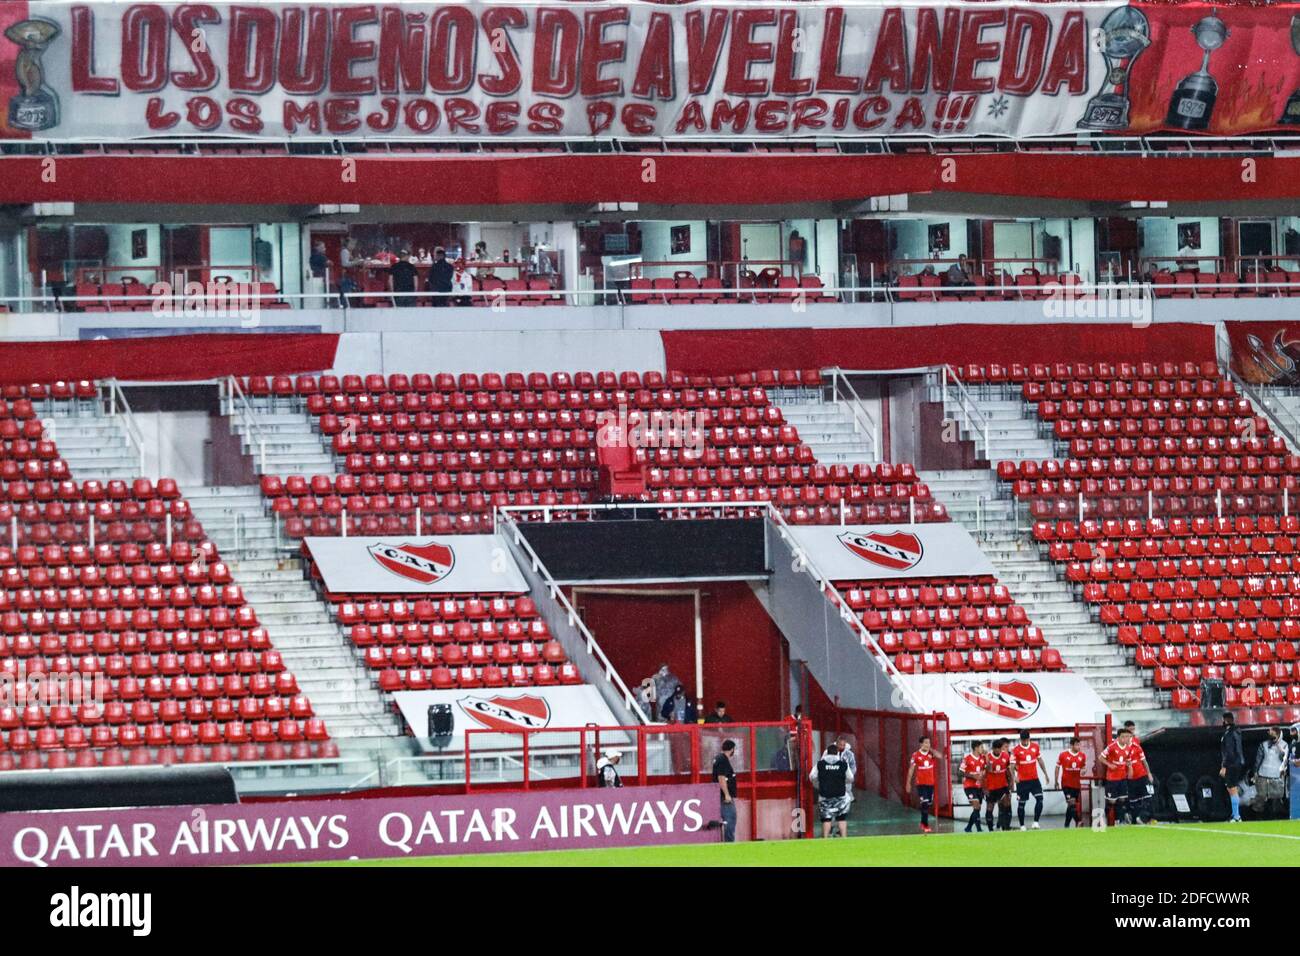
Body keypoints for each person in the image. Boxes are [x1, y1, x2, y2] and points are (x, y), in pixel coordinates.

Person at [810, 743, 851, 838]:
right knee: (841, 818)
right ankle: (844, 838)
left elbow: (812, 776)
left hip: (825, 795)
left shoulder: (820, 764)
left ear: (827, 753)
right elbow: (850, 778)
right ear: (837, 753)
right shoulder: (843, 764)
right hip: (840, 796)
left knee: (826, 819)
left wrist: (820, 781)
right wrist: (842, 781)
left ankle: (825, 840)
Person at [1011, 729, 1049, 830]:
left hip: (1034, 780)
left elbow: (1040, 760)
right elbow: (1012, 765)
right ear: (1020, 739)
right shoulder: (1016, 750)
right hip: (1022, 782)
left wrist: (1045, 773)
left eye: (1025, 739)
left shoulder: (1035, 747)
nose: (1024, 741)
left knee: (1040, 799)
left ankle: (1036, 822)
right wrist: (1014, 776)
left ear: (1029, 738)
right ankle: (1022, 825)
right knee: (1022, 803)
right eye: (1022, 740)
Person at [1099, 727, 1137, 826]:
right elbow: (1101, 757)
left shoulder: (1128, 748)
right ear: (1119, 737)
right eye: (1124, 737)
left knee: (1122, 800)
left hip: (1122, 778)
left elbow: (1127, 760)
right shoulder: (1112, 747)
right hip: (1112, 779)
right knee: (1111, 801)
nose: (1126, 739)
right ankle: (1102, 820)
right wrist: (1109, 764)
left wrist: (1129, 767)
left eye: (1128, 736)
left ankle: (1118, 821)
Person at [1253, 725, 1289, 819]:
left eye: (1272, 733)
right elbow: (1258, 759)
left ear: (1278, 734)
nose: (1270, 735)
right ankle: (1258, 817)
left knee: (1276, 798)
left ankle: (1275, 817)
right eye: (1269, 733)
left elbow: (1285, 760)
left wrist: (1281, 751)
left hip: (1276, 775)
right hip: (1263, 774)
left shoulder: (1284, 745)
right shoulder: (1263, 744)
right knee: (1261, 796)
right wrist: (1255, 772)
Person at [904, 734, 938, 833]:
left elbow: (941, 756)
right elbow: (911, 769)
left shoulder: (931, 754)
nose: (928, 745)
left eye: (929, 743)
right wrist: (908, 783)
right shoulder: (915, 755)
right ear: (921, 744)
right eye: (926, 743)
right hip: (921, 784)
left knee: (928, 804)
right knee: (925, 803)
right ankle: (925, 825)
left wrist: (931, 749)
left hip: (930, 784)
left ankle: (923, 821)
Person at [1056, 737, 1088, 828]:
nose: (1079, 746)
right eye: (1077, 745)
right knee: (1071, 803)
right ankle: (1078, 821)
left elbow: (1083, 767)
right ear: (1071, 745)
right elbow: (1057, 767)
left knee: (1071, 806)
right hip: (1066, 783)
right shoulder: (1063, 755)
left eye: (1079, 744)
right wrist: (1056, 781)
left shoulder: (1082, 755)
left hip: (1076, 784)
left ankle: (1066, 825)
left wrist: (1084, 770)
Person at [1220, 711, 1246, 823]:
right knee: (1230, 788)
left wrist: (1224, 766)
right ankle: (1235, 814)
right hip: (1237, 763)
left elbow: (1229, 752)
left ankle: (1237, 816)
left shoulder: (1230, 733)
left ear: (1225, 720)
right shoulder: (1236, 731)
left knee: (1232, 788)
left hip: (1232, 764)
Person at [983, 738, 1013, 832]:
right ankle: (991, 829)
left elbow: (1008, 770)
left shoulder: (1005, 755)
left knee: (1007, 804)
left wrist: (1011, 781)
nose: (999, 751)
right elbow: (989, 770)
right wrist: (985, 788)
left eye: (1000, 748)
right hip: (991, 787)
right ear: (993, 749)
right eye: (997, 749)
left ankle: (1006, 827)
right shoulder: (988, 757)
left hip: (1002, 786)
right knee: (990, 808)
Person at [1125, 732, 1154, 825]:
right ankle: (1135, 819)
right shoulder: (1121, 749)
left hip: (1142, 776)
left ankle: (1143, 817)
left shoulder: (1136, 747)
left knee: (1148, 797)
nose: (1129, 738)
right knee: (1134, 800)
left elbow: (1144, 761)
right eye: (1126, 736)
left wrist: (1149, 773)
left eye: (1130, 736)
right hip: (1130, 779)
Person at [959, 740, 987, 833]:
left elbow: (986, 770)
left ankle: (968, 827)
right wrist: (972, 776)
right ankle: (979, 829)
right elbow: (960, 772)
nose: (983, 749)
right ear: (976, 748)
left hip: (979, 787)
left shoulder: (983, 758)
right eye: (981, 747)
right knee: (976, 806)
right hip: (969, 786)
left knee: (977, 808)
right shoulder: (967, 759)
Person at [714, 740, 738, 842]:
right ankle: (729, 843)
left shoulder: (719, 758)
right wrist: (727, 795)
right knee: (730, 818)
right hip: (724, 797)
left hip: (722, 796)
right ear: (732, 749)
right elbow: (721, 777)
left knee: (729, 818)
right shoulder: (723, 760)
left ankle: (728, 842)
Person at [836, 735, 857, 808]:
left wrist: (850, 775)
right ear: (837, 744)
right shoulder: (831, 751)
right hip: (835, 775)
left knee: (847, 788)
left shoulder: (850, 754)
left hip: (846, 775)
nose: (842, 747)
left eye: (843, 745)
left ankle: (850, 800)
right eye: (840, 745)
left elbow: (853, 766)